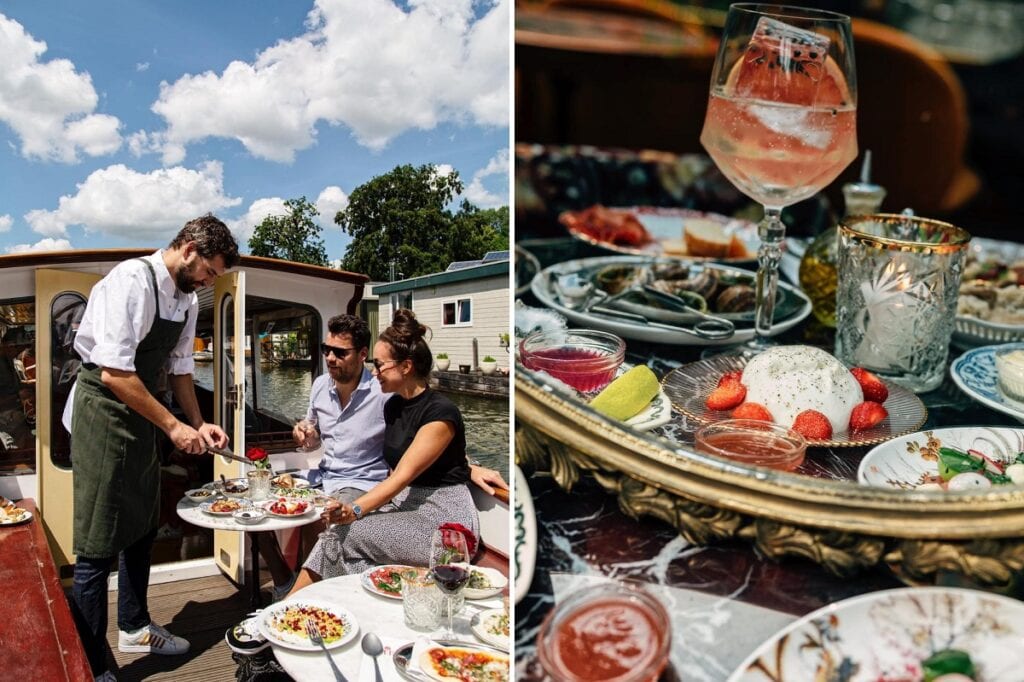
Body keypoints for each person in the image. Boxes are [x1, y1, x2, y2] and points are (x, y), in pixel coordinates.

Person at [65, 214, 240, 682]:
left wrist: (200, 425)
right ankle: (92, 665)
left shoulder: (186, 300)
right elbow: (114, 373)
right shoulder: (131, 281)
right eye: (209, 271)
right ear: (189, 248)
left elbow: (180, 371)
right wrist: (172, 426)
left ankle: (136, 626)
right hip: (104, 410)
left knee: (143, 523)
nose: (208, 281)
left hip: (142, 413)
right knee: (97, 545)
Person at [294, 308, 480, 590]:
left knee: (343, 534)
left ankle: (292, 608)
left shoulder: (441, 412)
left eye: (380, 365)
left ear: (405, 367)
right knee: (343, 547)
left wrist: (353, 510)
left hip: (444, 523)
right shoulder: (394, 405)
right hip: (406, 505)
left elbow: (402, 475)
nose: (374, 371)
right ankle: (327, 610)